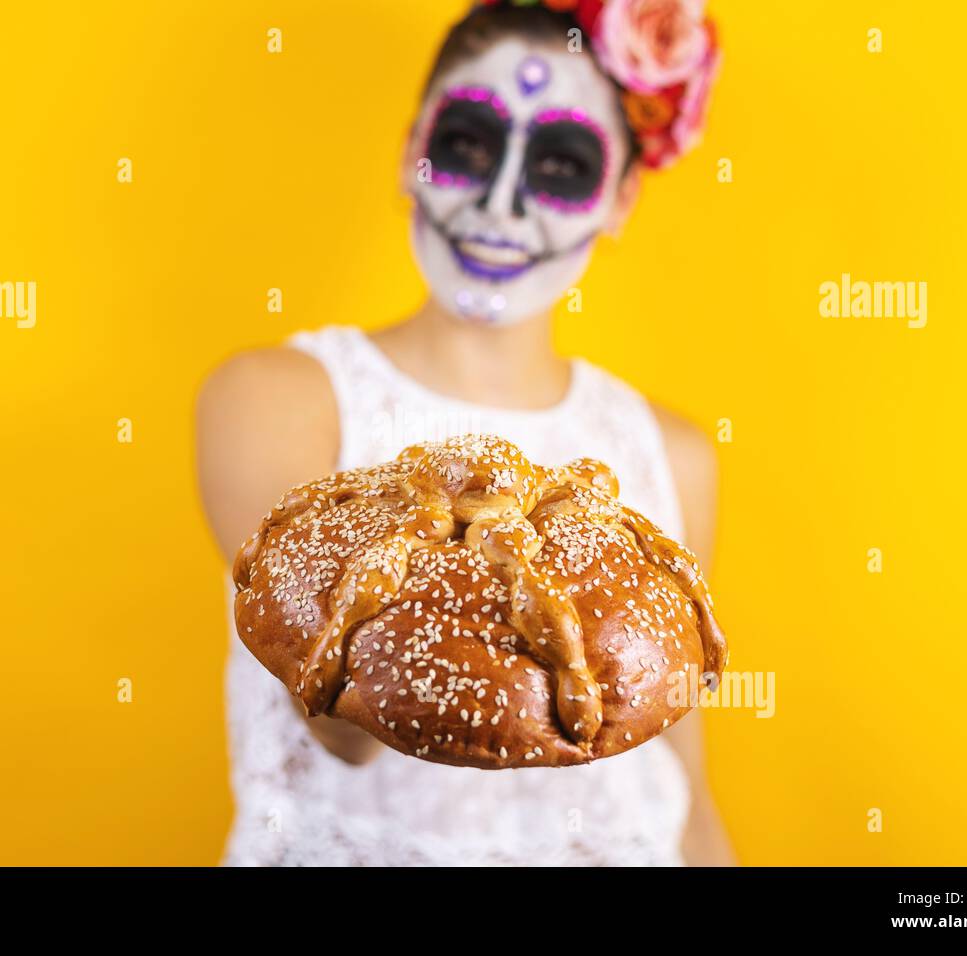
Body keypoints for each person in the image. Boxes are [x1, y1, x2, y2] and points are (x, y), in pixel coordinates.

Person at [197, 0, 734, 865]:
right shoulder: (279, 397)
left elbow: (683, 772)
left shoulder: (669, 453)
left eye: (559, 165)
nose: (499, 202)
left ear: (621, 198)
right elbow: (347, 713)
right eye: (469, 146)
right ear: (414, 149)